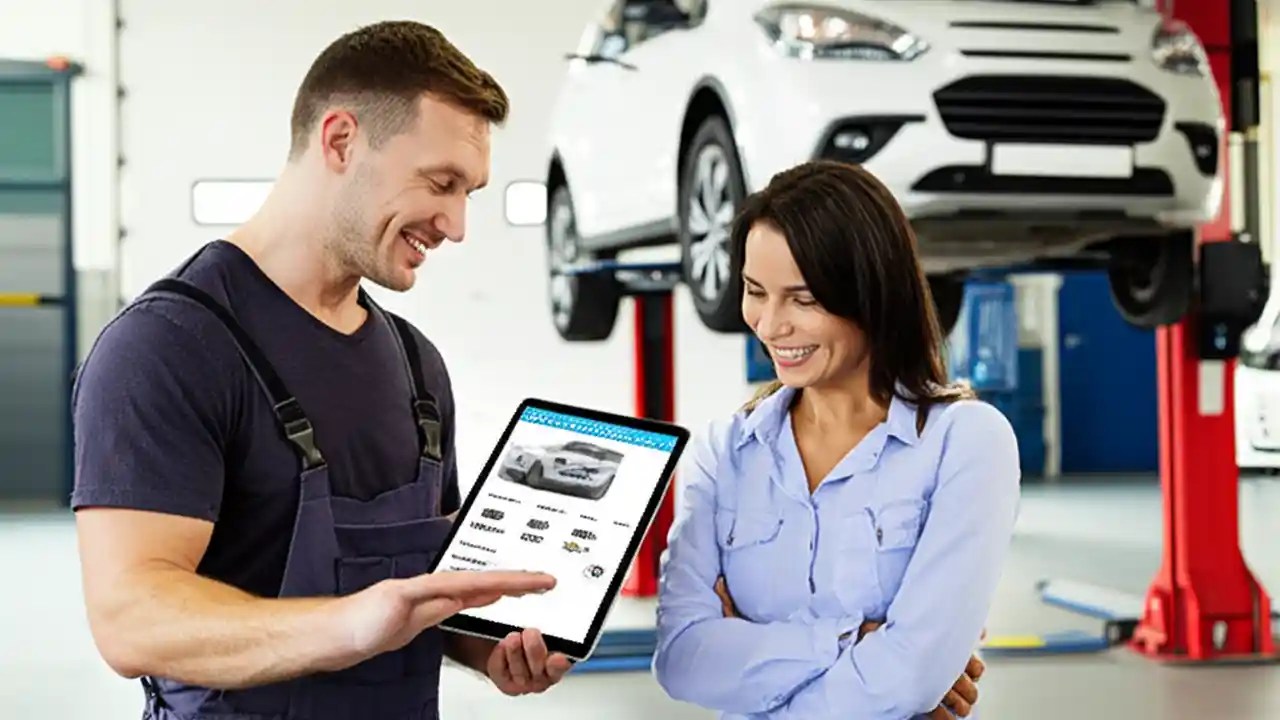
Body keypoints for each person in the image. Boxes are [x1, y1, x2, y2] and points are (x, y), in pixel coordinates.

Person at [70, 21, 572, 719]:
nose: (456, 225)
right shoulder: (167, 347)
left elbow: (427, 592)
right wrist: (345, 625)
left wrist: (487, 645)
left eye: (470, 194)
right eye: (441, 183)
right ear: (340, 140)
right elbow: (131, 616)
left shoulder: (416, 365)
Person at [652, 160, 1022, 719]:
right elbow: (682, 659)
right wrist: (854, 639)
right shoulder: (724, 453)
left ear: (871, 291)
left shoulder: (966, 443)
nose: (771, 325)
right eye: (756, 291)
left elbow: (912, 678)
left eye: (803, 300)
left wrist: (751, 648)